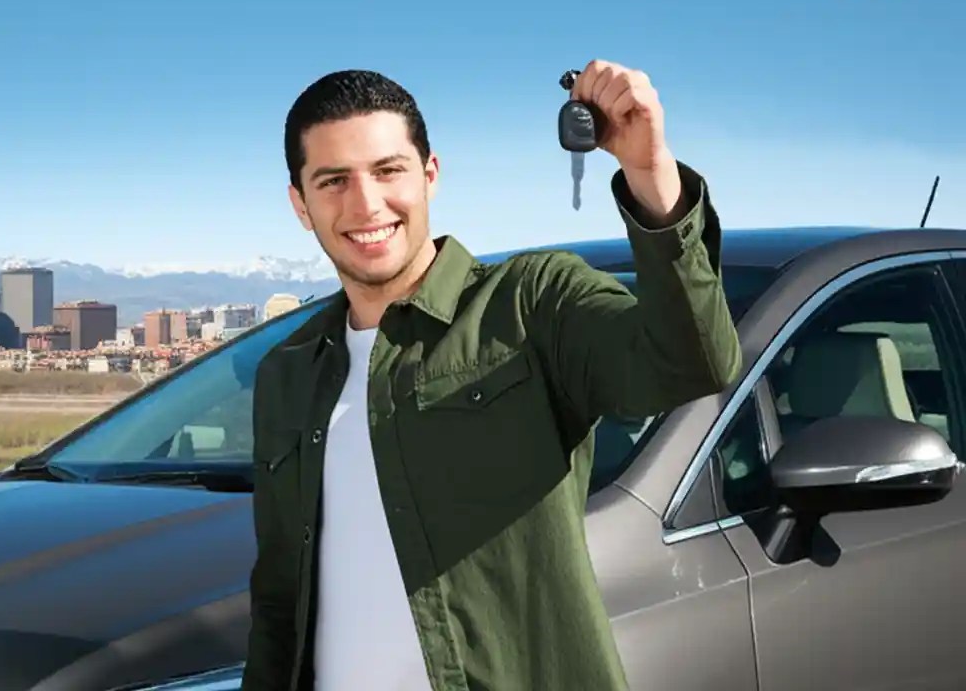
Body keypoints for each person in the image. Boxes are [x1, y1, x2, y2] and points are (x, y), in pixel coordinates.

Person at [241, 61, 742, 691]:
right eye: (334, 180)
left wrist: (648, 173)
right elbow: (279, 603)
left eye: (388, 170)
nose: (366, 203)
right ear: (301, 205)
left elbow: (691, 362)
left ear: (429, 175)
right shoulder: (287, 374)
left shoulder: (532, 302)